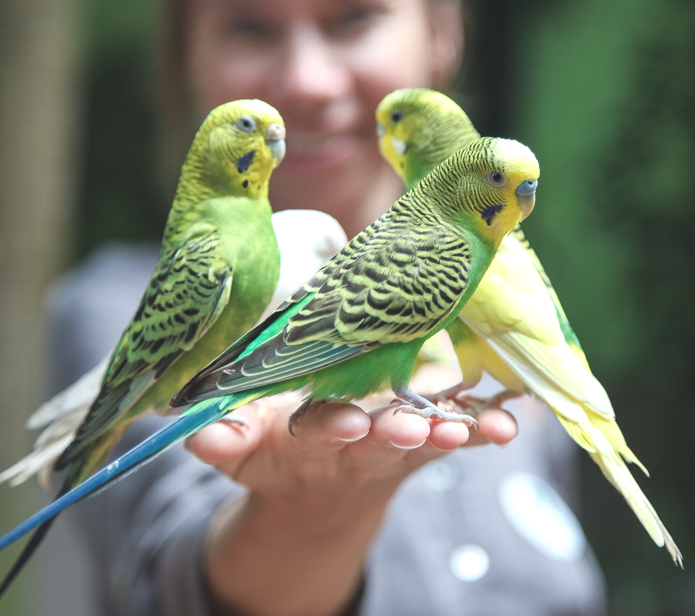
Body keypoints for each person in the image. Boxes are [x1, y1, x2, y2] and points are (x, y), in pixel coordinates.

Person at [53, 1, 607, 614]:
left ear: (443, 35)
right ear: (185, 60)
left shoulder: (504, 298)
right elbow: (171, 557)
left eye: (353, 18)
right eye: (249, 27)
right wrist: (310, 511)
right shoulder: (116, 298)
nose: (307, 82)